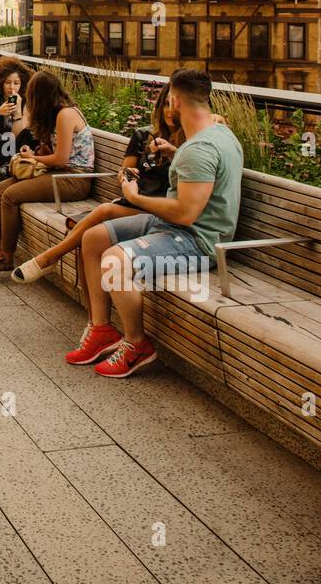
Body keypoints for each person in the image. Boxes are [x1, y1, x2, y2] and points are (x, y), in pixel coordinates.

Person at [72, 67, 243, 379]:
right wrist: (174, 151)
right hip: (174, 227)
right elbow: (201, 172)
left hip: (196, 242)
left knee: (114, 260)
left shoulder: (200, 149)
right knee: (94, 238)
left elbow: (184, 214)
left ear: (175, 101)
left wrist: (133, 197)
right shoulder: (217, 134)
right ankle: (101, 330)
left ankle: (136, 344)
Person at [12, 81, 183, 283]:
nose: (170, 111)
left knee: (103, 213)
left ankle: (50, 257)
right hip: (134, 202)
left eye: (176, 106)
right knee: (81, 229)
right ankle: (91, 311)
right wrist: (128, 175)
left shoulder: (192, 142)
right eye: (165, 104)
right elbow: (124, 171)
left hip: (159, 210)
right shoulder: (143, 136)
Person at [0, 70, 95, 273]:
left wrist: (32, 158)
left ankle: (6, 257)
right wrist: (34, 152)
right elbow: (54, 154)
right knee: (1, 189)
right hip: (58, 174)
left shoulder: (65, 114)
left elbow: (61, 159)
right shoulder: (55, 113)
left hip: (75, 178)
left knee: (10, 196)